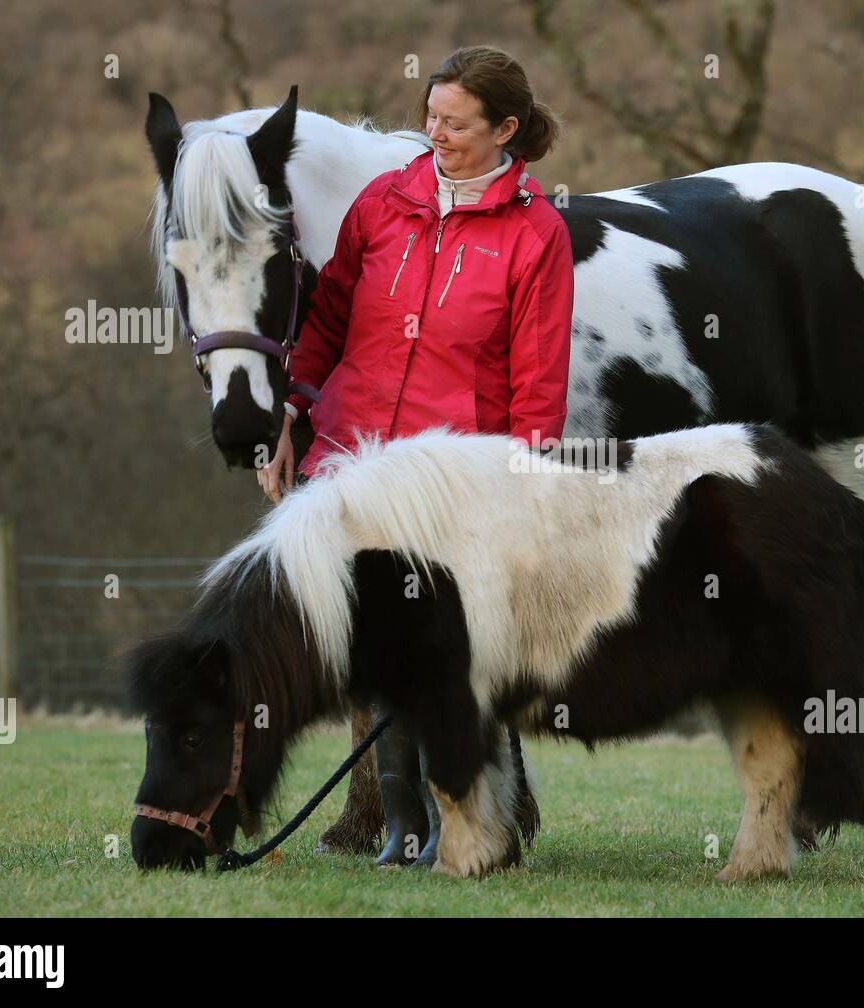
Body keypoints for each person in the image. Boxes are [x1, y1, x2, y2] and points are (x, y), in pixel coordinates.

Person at [257, 45, 574, 865]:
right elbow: (325, 323)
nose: (433, 134)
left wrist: (525, 493)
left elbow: (539, 389)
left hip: (454, 486)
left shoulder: (537, 236)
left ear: (505, 129)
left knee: (448, 665)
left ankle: (459, 826)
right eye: (429, 115)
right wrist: (291, 411)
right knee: (369, 655)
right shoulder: (382, 202)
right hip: (351, 464)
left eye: (455, 124)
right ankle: (397, 825)